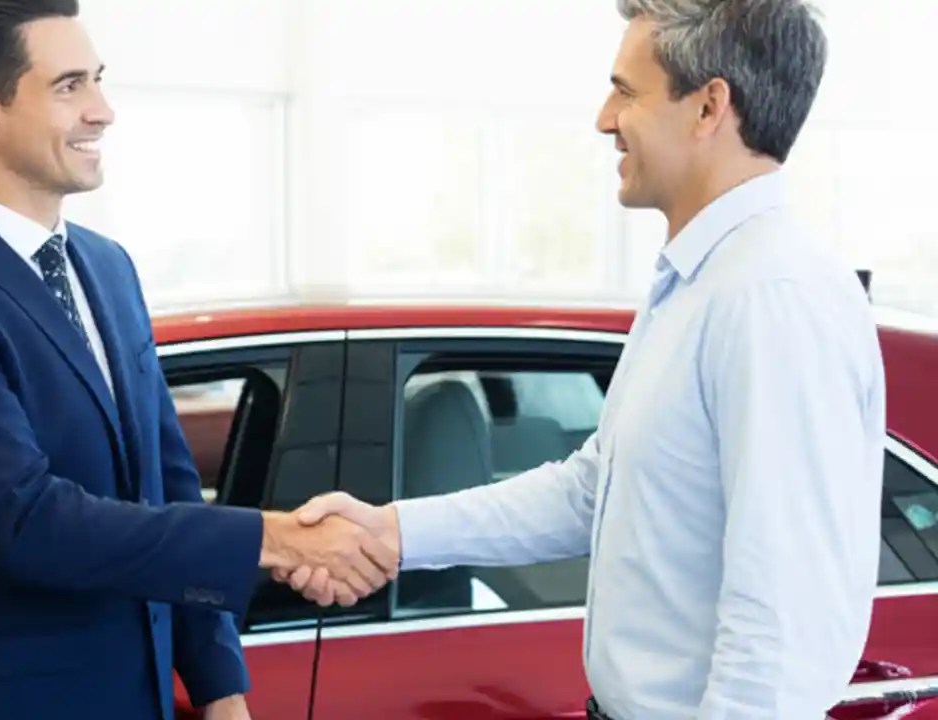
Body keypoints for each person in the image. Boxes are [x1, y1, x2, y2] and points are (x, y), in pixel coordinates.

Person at [280, 1, 884, 718]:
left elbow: (781, 627)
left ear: (708, 106)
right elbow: (594, 492)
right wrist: (392, 532)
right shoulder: (703, 282)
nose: (604, 118)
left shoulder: (769, 297)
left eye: (626, 91)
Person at [0, 2, 397, 719]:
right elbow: (26, 522)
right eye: (70, 86)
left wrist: (220, 686)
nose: (103, 111)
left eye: (98, 80)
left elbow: (163, 481)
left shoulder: (107, 267)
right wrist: (274, 537)